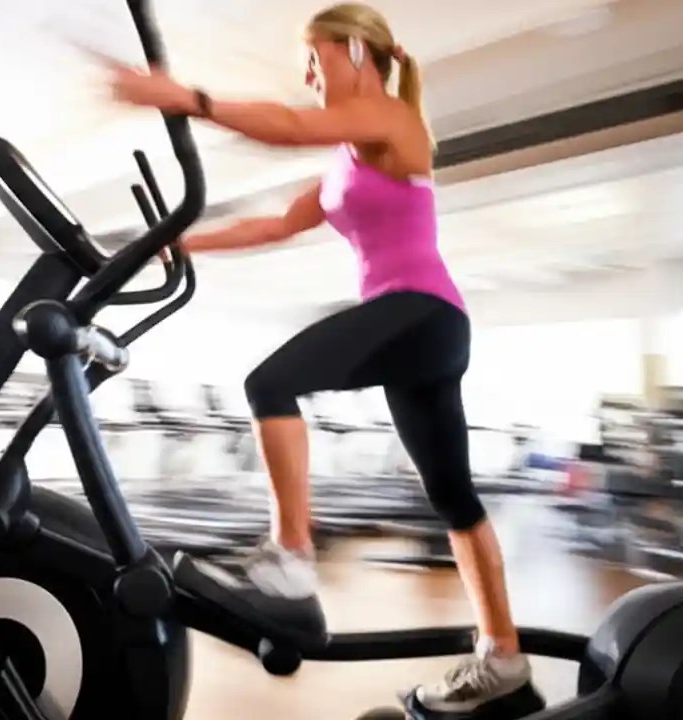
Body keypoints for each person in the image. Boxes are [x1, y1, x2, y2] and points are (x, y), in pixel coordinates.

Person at [106, 4, 542, 717]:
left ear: (356, 52)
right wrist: (179, 244)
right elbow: (275, 223)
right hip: (417, 334)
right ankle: (503, 660)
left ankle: (290, 561)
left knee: (270, 383)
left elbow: (292, 126)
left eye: (316, 58)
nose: (308, 74)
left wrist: (190, 99)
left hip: (423, 313)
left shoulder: (393, 120)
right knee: (454, 503)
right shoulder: (345, 158)